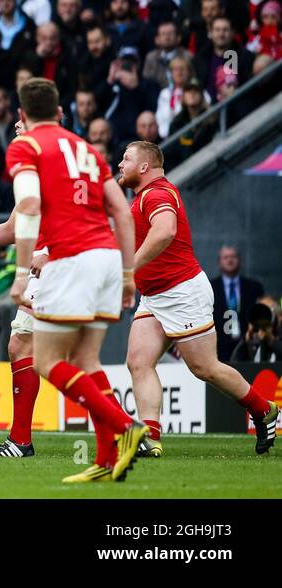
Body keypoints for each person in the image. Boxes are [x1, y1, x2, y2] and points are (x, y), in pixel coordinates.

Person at [4, 77, 145, 483]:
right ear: (62, 112)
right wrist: (127, 273)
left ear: (22, 114)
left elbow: (29, 205)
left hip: (70, 259)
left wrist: (19, 271)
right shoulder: (86, 149)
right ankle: (104, 459)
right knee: (86, 360)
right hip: (105, 257)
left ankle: (125, 427)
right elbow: (120, 209)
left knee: (47, 361)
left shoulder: (25, 145)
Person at [117, 141, 277, 456]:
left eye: (126, 158)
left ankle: (264, 410)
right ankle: (150, 438)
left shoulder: (157, 193)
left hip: (182, 292)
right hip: (154, 296)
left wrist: (128, 268)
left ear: (145, 166)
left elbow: (164, 232)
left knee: (204, 368)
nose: (120, 164)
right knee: (138, 362)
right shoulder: (143, 197)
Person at [210, 244, 264, 361]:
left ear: (239, 261)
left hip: (247, 345)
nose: (230, 260)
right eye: (226, 257)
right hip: (218, 347)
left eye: (233, 256)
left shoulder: (254, 287)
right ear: (219, 262)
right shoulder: (210, 287)